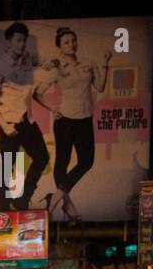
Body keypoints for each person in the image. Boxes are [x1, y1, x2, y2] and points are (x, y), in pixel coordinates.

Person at [33, 27, 110, 222]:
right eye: (66, 42)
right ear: (60, 46)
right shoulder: (57, 66)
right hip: (65, 121)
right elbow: (37, 93)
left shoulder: (88, 62)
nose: (71, 44)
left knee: (86, 161)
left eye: (73, 40)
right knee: (63, 162)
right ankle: (67, 204)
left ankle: (56, 197)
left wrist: (105, 63)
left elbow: (100, 86)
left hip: (85, 119)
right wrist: (52, 109)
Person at [0, 21, 49, 212]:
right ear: (8, 43)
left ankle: (23, 198)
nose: (22, 44)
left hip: (26, 121)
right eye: (19, 40)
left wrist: (52, 63)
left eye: (24, 41)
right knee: (7, 167)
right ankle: (3, 204)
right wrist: (5, 126)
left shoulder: (27, 58)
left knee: (42, 158)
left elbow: (41, 60)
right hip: (9, 123)